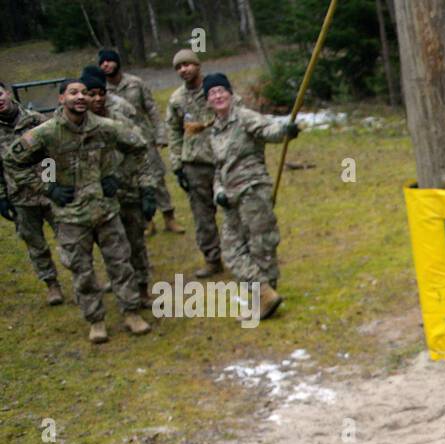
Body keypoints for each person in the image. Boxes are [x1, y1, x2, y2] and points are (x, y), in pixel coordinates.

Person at [3, 78, 151, 343]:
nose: (80, 97)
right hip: (70, 216)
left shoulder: (105, 128)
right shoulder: (46, 133)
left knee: (121, 264)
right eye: (73, 93)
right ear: (62, 99)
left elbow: (139, 146)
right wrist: (46, 189)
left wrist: (117, 174)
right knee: (82, 272)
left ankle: (131, 312)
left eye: (84, 92)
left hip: (106, 211)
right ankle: (96, 320)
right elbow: (13, 162)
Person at [205, 73, 297, 321]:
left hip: (253, 190)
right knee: (232, 250)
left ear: (230, 94)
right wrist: (219, 192)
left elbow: (268, 129)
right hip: (230, 197)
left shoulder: (244, 117)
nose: (217, 96)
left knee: (261, 244)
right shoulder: (213, 132)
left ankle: (265, 298)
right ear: (207, 101)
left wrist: (285, 130)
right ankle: (265, 293)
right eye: (212, 93)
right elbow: (217, 169)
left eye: (221, 91)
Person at [84, 66, 156, 309]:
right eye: (90, 94)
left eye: (100, 93)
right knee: (112, 247)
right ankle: (123, 290)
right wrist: (51, 186)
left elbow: (141, 153)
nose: (96, 99)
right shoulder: (70, 125)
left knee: (135, 243)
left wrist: (147, 189)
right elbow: (50, 159)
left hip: (127, 190)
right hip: (95, 199)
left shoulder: (120, 120)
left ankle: (143, 288)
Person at [98, 47, 181, 235]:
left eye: (109, 60)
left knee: (157, 178)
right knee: (133, 182)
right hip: (119, 144)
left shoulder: (135, 83)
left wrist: (160, 135)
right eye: (102, 62)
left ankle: (169, 217)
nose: (106, 64)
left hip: (144, 139)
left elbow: (151, 109)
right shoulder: (102, 90)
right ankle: (147, 221)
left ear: (117, 62)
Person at [0, 80, 64, 305]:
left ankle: (82, 277)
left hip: (49, 193)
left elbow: (54, 151)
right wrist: (2, 196)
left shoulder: (35, 120)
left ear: (7, 93)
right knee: (35, 244)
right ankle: (52, 285)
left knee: (68, 238)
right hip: (20, 197)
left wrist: (52, 183)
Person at [166, 49, 223, 276]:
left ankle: (241, 255)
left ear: (197, 65)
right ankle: (212, 258)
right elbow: (173, 131)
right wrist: (177, 164)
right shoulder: (177, 99)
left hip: (221, 159)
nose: (183, 70)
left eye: (187, 64)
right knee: (202, 216)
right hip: (194, 164)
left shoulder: (216, 90)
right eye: (179, 67)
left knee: (231, 212)